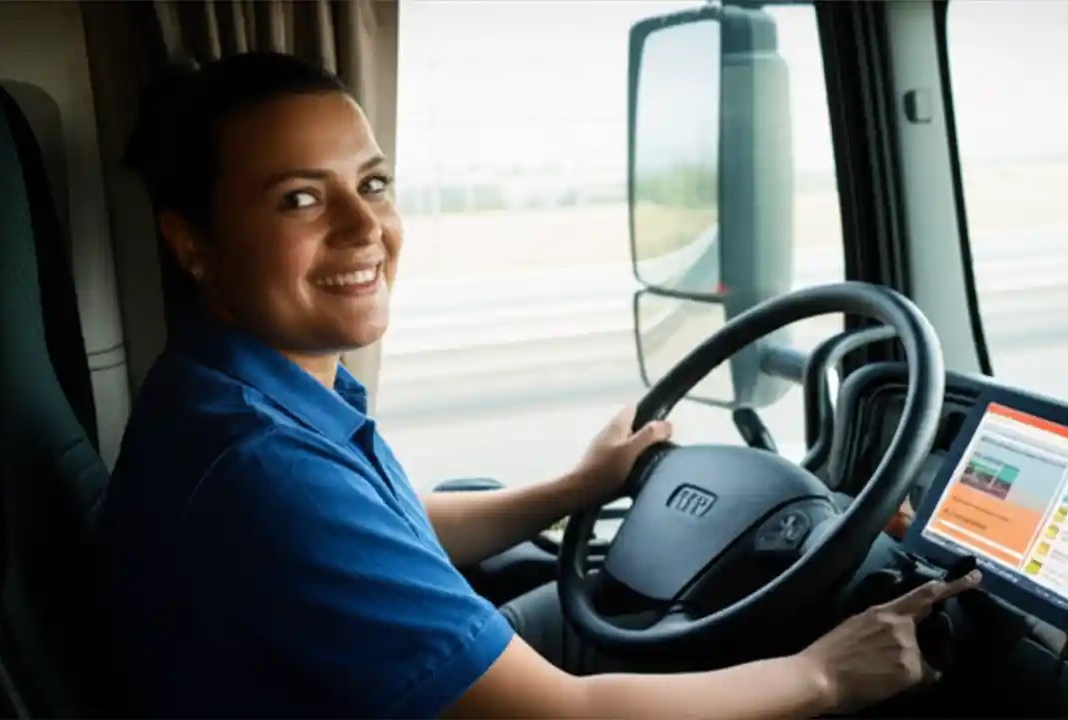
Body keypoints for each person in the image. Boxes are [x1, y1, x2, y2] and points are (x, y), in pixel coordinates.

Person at [99, 52, 980, 719]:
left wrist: (576, 488)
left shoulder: (236, 388)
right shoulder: (260, 469)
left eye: (372, 184)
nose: (366, 225)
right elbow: (565, 713)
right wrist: (825, 674)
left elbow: (396, 517)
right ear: (191, 243)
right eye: (300, 199)